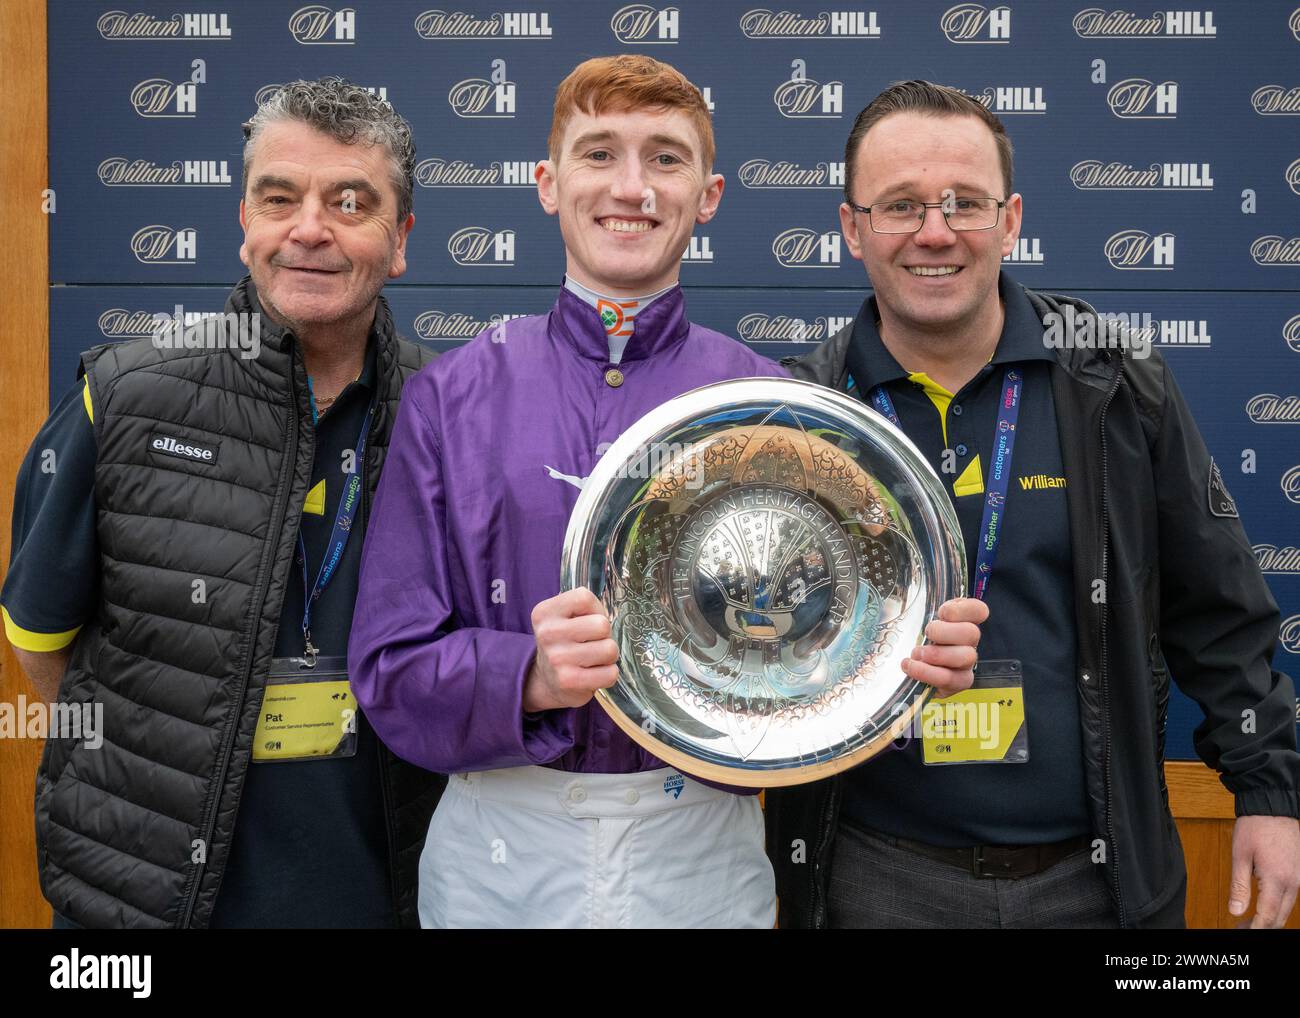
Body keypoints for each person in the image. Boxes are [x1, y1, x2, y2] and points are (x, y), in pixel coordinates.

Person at [347, 55, 987, 929]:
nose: (632, 186)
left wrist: (911, 659)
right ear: (548, 182)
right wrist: (527, 675)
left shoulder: (772, 403)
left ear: (710, 194)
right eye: (600, 153)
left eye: (667, 158)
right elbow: (388, 671)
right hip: (498, 853)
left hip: (703, 852)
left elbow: (830, 659)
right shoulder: (449, 396)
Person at [767, 80, 1300, 929]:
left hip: (1097, 880)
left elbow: (1221, 613)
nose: (935, 232)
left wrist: (1269, 791)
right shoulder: (797, 413)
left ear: (1011, 219)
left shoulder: (1116, 384)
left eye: (964, 204)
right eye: (901, 205)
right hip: (873, 878)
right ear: (851, 227)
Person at [2, 77, 442, 928]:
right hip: (148, 909)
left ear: (400, 241)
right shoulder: (127, 397)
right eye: (280, 198)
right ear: (245, 221)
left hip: (385, 902)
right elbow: (40, 645)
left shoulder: (451, 414)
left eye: (351, 202)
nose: (308, 229)